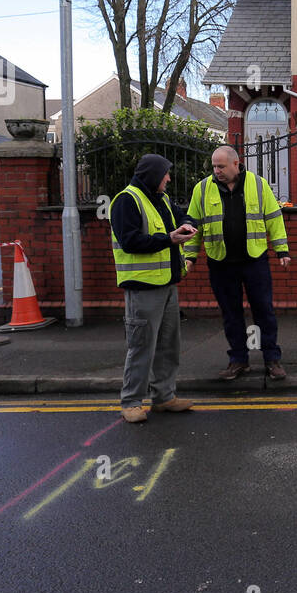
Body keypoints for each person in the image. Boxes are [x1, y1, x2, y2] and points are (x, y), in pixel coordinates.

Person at [184, 146, 291, 380]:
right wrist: (189, 256)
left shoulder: (259, 185)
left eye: (221, 166)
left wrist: (281, 250)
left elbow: (274, 219)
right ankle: (238, 360)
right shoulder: (201, 189)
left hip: (254, 260)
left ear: (236, 164)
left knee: (264, 311)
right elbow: (193, 225)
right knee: (231, 314)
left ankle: (272, 359)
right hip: (220, 261)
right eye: (213, 166)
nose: (216, 171)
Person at [110, 154, 198, 423]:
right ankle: (131, 402)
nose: (168, 179)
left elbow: (181, 213)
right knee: (141, 347)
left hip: (167, 284)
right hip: (143, 287)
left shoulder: (159, 198)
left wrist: (186, 224)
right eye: (165, 175)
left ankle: (164, 397)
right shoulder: (127, 200)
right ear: (152, 176)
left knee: (169, 345)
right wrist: (169, 238)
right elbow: (130, 241)